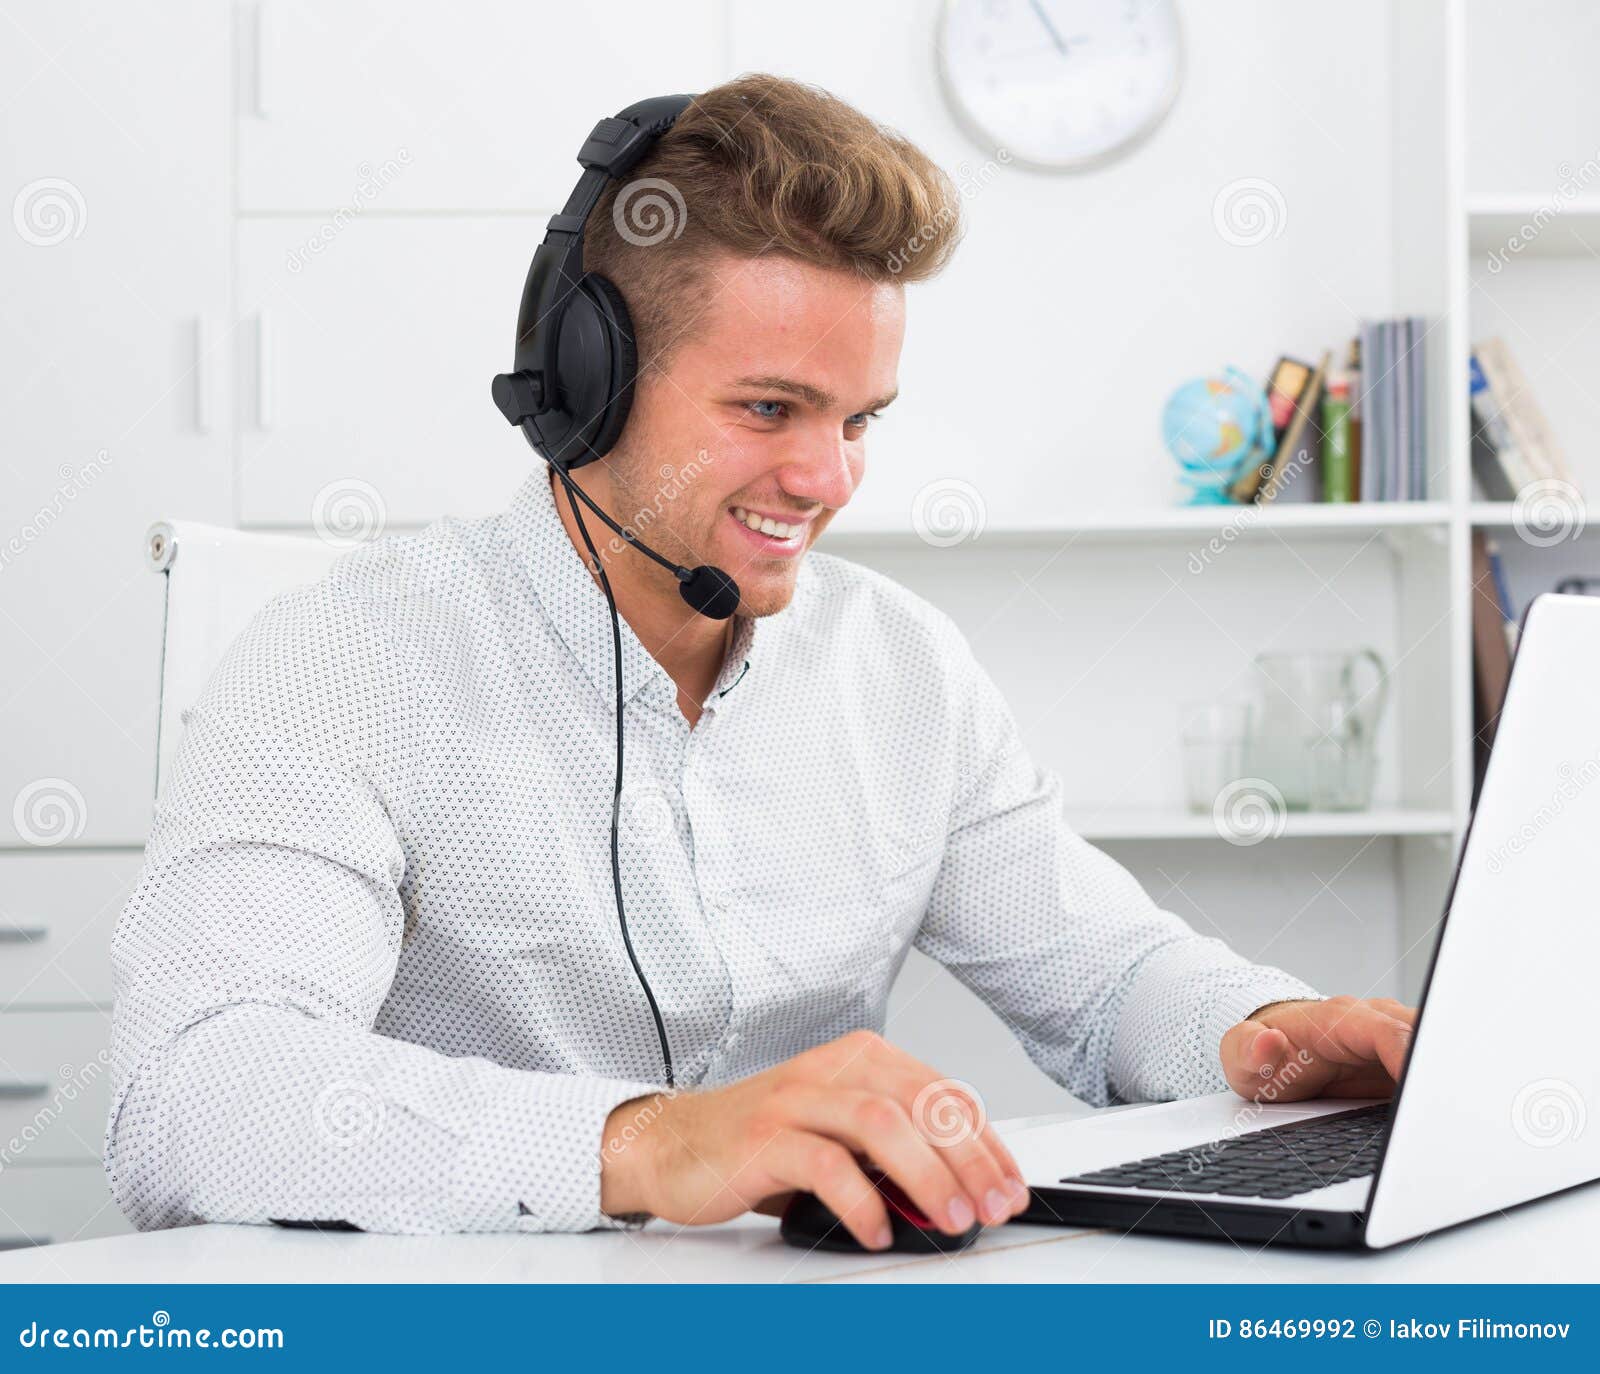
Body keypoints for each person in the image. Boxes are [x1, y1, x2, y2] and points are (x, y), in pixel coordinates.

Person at [107, 74, 1415, 1252]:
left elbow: (1104, 971)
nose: (828, 476)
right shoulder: (349, 658)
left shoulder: (900, 666)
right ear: (589, 383)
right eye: (769, 408)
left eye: (860, 420)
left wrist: (1264, 1037)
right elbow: (193, 1089)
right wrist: (658, 1141)